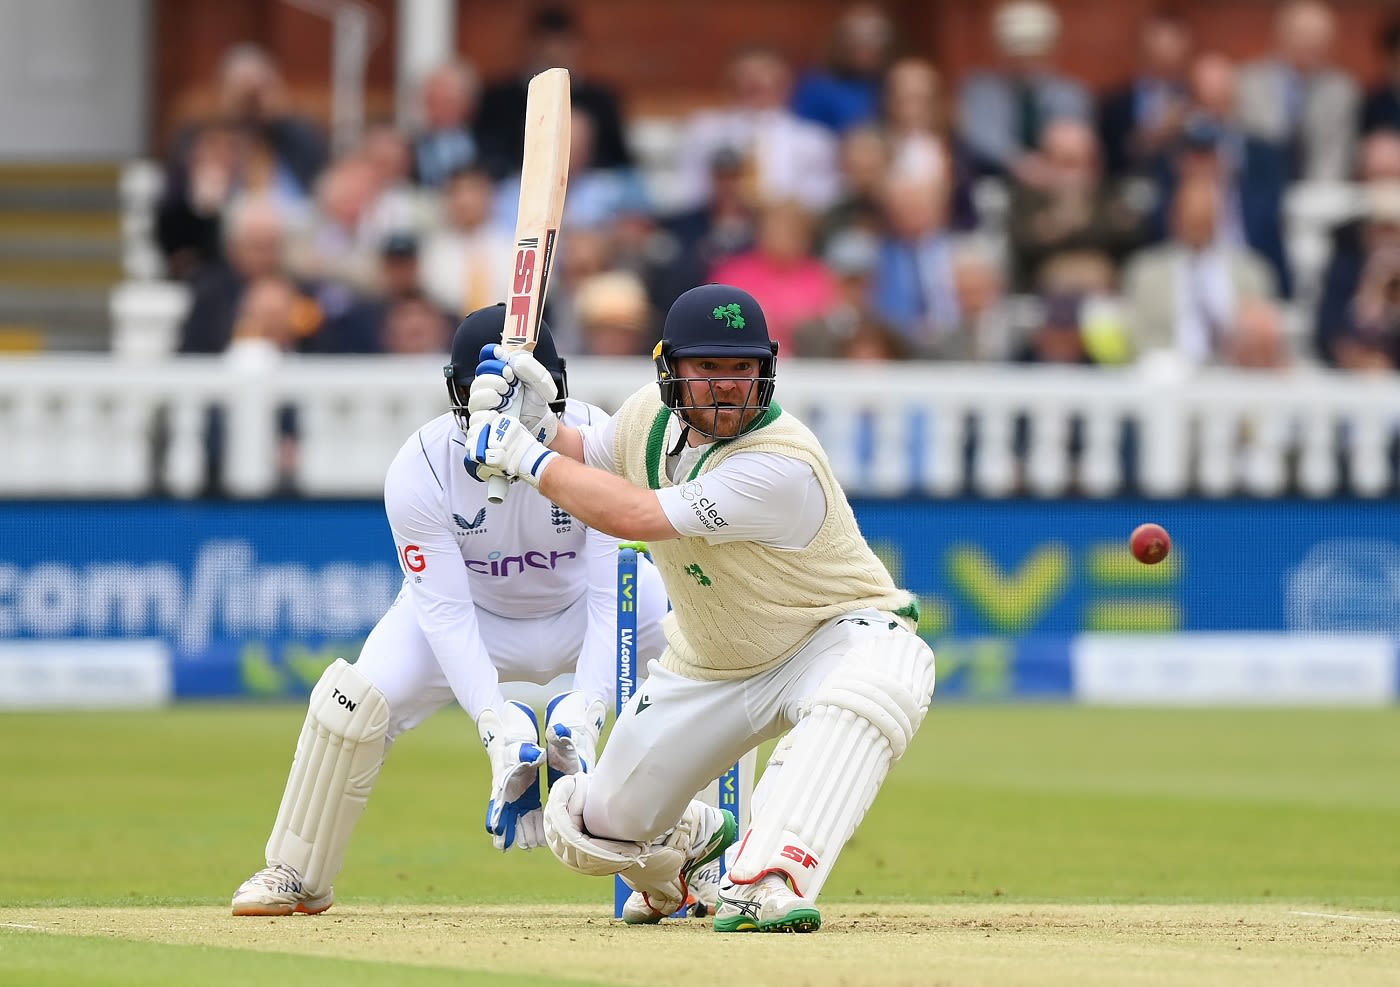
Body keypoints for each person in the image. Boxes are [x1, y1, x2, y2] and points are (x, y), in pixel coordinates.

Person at [460, 284, 936, 933]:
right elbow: (581, 457)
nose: (726, 384)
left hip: (829, 637)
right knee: (591, 827)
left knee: (890, 667)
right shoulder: (640, 420)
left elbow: (635, 514)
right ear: (670, 369)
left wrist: (520, 451)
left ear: (765, 371)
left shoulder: (779, 464)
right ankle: (694, 849)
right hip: (711, 663)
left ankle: (766, 877)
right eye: (708, 367)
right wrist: (529, 423)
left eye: (741, 368)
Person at [229, 305, 670, 916]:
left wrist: (589, 711)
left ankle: (689, 877)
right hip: (475, 619)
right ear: (458, 394)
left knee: (700, 664)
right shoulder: (422, 466)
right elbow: (443, 614)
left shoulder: (599, 442)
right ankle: (295, 873)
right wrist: (495, 726)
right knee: (353, 704)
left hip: (586, 609)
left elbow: (609, 595)